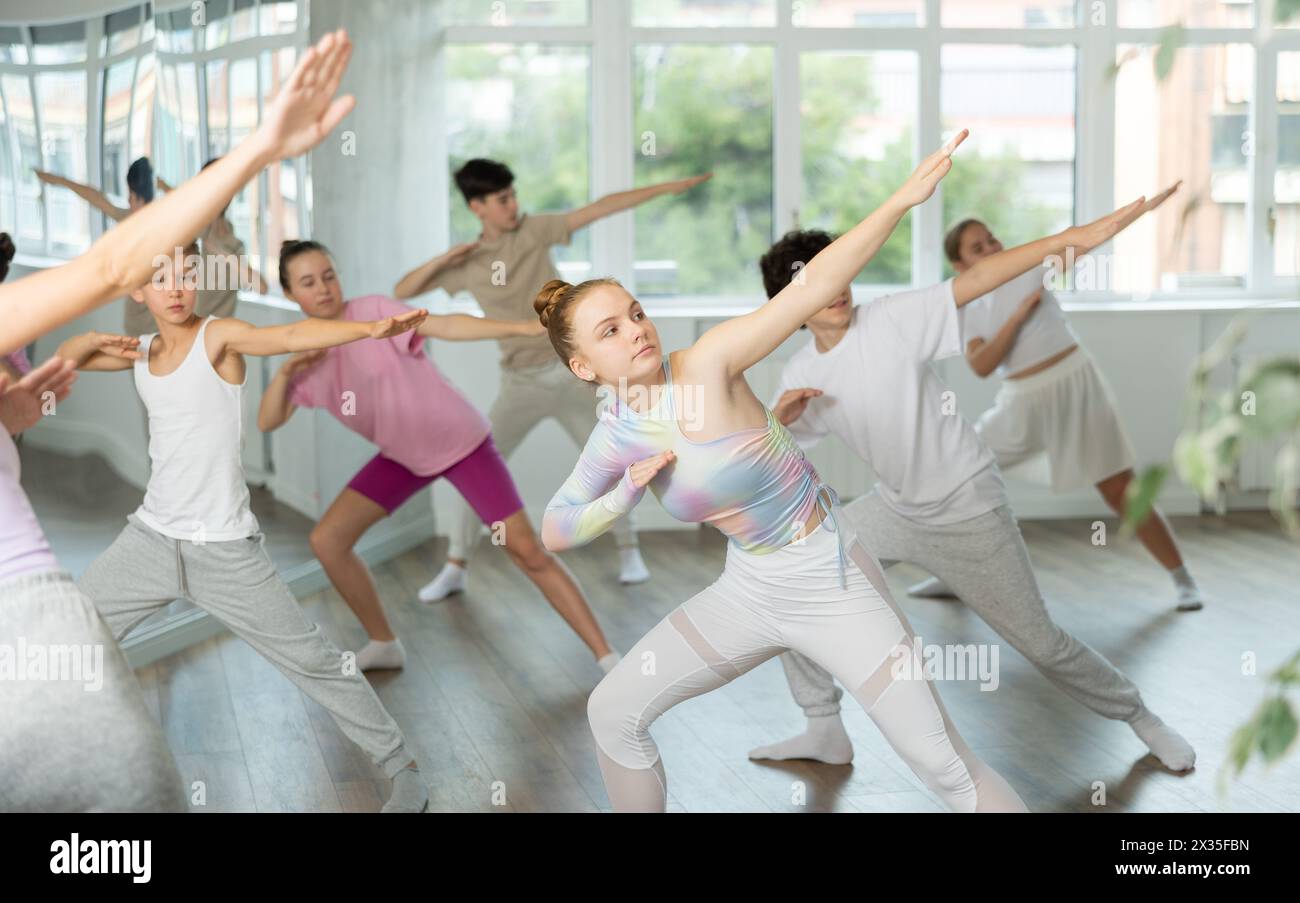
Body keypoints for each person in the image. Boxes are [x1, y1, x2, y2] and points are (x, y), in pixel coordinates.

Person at [540, 132, 1030, 813]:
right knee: (613, 711)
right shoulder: (616, 435)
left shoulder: (709, 359)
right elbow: (555, 527)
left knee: (944, 764)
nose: (636, 331)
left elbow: (814, 287)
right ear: (582, 368)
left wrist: (901, 200)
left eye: (636, 313)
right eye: (610, 331)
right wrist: (620, 494)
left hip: (830, 574)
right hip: (749, 589)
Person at [0, 28, 359, 812]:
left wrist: (10, 411)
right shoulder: (131, 318)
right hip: (90, 570)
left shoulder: (204, 303)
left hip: (183, 521)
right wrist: (262, 146)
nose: (172, 275)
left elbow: (131, 268)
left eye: (180, 268)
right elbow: (110, 264)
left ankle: (394, 759)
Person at [745, 194, 1195, 776]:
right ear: (789, 303)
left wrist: (1074, 237)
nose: (838, 286)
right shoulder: (801, 372)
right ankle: (823, 727)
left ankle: (1142, 718)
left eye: (840, 268)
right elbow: (767, 460)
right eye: (817, 279)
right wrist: (777, 420)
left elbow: (979, 278)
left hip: (969, 507)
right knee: (795, 575)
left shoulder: (893, 319)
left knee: (1042, 643)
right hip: (899, 509)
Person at [58, 239, 433, 813]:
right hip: (150, 540)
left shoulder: (220, 337)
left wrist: (366, 331)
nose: (179, 288)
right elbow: (69, 362)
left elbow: (285, 337)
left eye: (187, 274)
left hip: (226, 550)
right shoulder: (141, 351)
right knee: (71, 638)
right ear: (138, 291)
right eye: (163, 280)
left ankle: (402, 768)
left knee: (313, 660)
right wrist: (83, 339)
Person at [260, 240, 621, 675]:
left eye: (328, 275)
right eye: (307, 282)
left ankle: (607, 656)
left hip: (460, 442)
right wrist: (285, 371)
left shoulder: (372, 310)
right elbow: (269, 420)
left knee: (526, 550)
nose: (322, 288)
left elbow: (446, 325)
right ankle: (384, 642)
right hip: (403, 457)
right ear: (289, 294)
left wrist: (523, 329)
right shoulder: (303, 355)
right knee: (328, 541)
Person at [395, 159, 712, 599]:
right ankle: (456, 565)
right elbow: (402, 290)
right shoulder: (467, 265)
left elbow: (601, 208)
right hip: (519, 384)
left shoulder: (535, 230)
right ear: (477, 207)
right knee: (473, 465)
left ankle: (629, 551)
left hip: (571, 378)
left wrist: (671, 185)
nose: (514, 205)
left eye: (513, 194)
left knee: (621, 456)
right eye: (503, 199)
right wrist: (449, 255)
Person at [926, 197, 1204, 613]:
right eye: (976, 248)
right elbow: (983, 365)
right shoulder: (965, 307)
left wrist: (1143, 208)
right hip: (1021, 399)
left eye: (991, 239)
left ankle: (1184, 579)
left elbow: (1089, 239)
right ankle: (953, 573)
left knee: (1120, 490)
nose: (990, 248)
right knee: (964, 469)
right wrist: (1019, 316)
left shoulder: (1029, 269)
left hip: (1076, 384)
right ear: (960, 266)